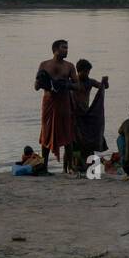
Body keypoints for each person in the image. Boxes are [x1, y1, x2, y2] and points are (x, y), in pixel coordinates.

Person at [34, 39, 77, 172]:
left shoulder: (69, 66)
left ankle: (68, 167)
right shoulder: (44, 64)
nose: (66, 50)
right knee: (46, 133)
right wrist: (44, 82)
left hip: (64, 103)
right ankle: (45, 166)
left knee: (67, 134)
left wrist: (65, 84)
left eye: (67, 47)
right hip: (49, 103)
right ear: (55, 50)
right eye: (64, 47)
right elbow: (36, 86)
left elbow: (77, 85)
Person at [72, 59, 110, 172]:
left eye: (88, 72)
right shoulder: (73, 82)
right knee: (76, 141)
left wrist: (105, 82)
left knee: (95, 138)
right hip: (75, 114)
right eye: (85, 72)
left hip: (87, 114)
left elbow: (103, 87)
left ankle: (93, 166)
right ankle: (75, 165)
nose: (87, 74)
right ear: (78, 71)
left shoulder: (90, 82)